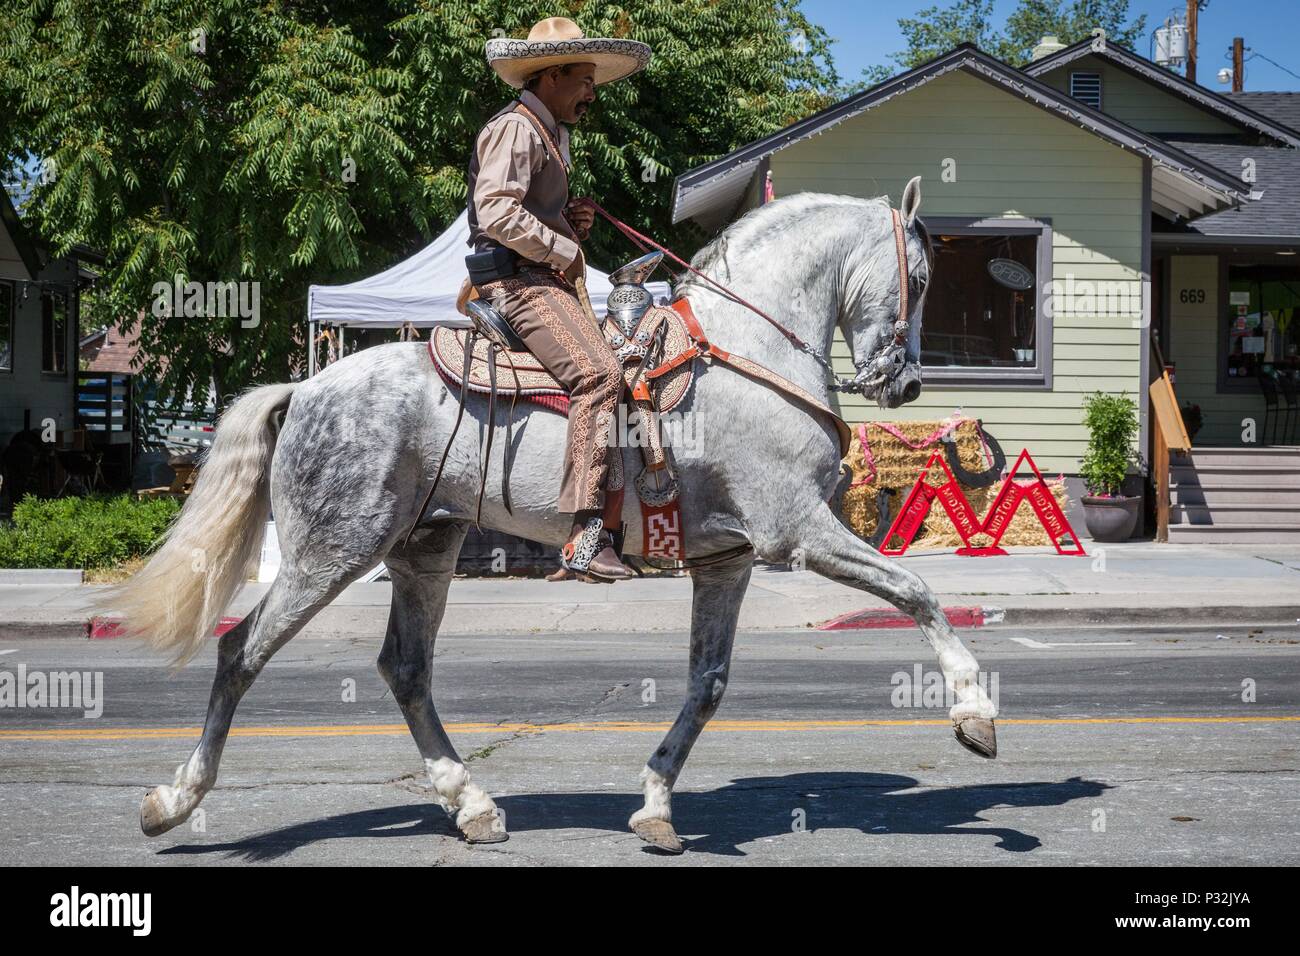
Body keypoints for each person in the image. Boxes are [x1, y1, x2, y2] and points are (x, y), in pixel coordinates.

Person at [465, 16, 651, 581]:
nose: (592, 93)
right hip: (517, 283)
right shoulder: (517, 128)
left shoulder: (549, 133)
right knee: (599, 378)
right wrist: (560, 249)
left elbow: (528, 210)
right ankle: (584, 537)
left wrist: (570, 222)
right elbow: (495, 209)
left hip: (538, 276)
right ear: (550, 76)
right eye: (585, 80)